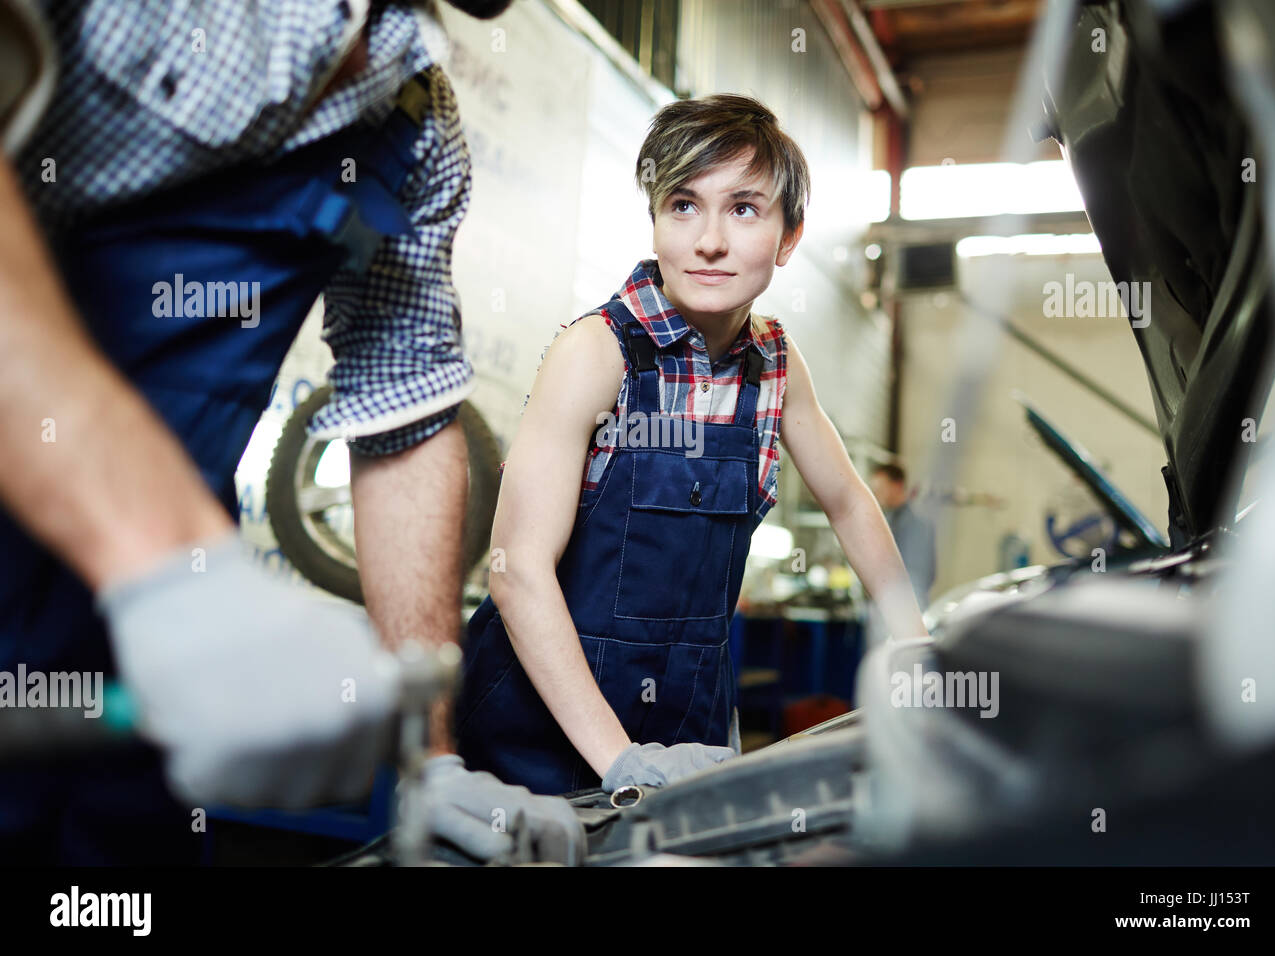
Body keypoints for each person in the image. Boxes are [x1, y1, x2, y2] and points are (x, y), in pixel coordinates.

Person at [0, 0, 581, 865]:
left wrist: (432, 756)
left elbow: (407, 420)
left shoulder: (416, 122)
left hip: (148, 679)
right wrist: (167, 569)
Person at [455, 94, 930, 796]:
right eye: (683, 205)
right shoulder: (595, 353)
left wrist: (915, 646)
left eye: (744, 209)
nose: (709, 240)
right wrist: (619, 762)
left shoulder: (774, 362)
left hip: (688, 716)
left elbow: (851, 505)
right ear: (654, 223)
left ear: (789, 236)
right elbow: (516, 567)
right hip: (541, 730)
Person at [868, 463, 936, 606]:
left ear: (897, 485)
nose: (876, 494)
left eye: (881, 488)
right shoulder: (884, 521)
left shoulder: (918, 527)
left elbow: (922, 576)